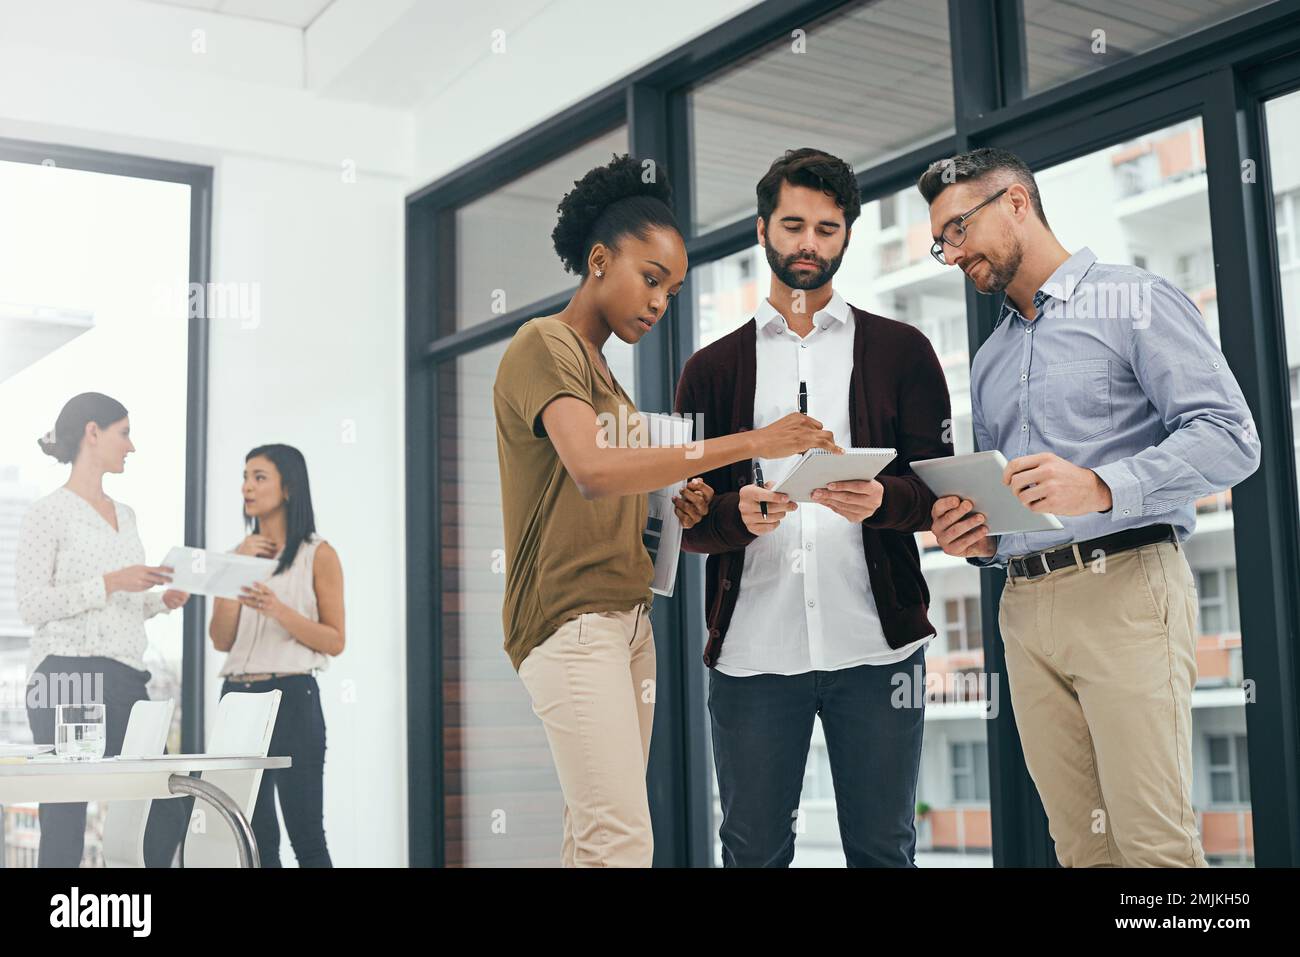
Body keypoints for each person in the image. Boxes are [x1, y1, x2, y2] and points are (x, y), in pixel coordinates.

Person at [493, 152, 840, 867]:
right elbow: (591, 471)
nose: (658, 302)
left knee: (595, 838)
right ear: (597, 260)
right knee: (619, 841)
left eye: (673, 290)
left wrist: (671, 502)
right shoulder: (543, 345)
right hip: (570, 618)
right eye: (650, 278)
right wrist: (751, 440)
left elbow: (612, 486)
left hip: (626, 621)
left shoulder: (609, 385)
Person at [920, 147, 1261, 867]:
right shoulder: (988, 362)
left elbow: (1232, 438)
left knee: (1153, 843)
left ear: (1016, 202)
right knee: (1082, 848)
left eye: (958, 230)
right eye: (939, 241)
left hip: (1126, 590)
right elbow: (1018, 499)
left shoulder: (1134, 298)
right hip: (1023, 607)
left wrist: (1104, 486)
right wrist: (975, 535)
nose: (949, 254)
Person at [673, 148, 952, 867]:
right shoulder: (708, 371)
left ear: (847, 236)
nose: (808, 244)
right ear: (763, 228)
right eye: (793, 225)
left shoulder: (905, 352)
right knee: (753, 851)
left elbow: (939, 492)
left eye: (827, 229)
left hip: (878, 648)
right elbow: (689, 521)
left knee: (884, 850)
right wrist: (738, 513)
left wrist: (882, 498)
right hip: (753, 654)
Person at [17, 391, 193, 867]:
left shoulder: (128, 515)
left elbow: (119, 604)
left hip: (124, 675)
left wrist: (157, 602)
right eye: (124, 433)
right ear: (93, 433)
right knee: (66, 817)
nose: (131, 446)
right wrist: (112, 581)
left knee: (165, 801)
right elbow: (31, 604)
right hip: (66, 677)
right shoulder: (47, 513)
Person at [209, 443, 343, 867]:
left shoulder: (317, 554)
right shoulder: (233, 556)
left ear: (288, 488)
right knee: (254, 837)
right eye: (245, 477)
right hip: (237, 699)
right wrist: (235, 568)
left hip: (292, 697)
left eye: (259, 477)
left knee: (306, 835)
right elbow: (220, 638)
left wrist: (277, 610)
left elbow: (335, 639)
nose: (247, 487)